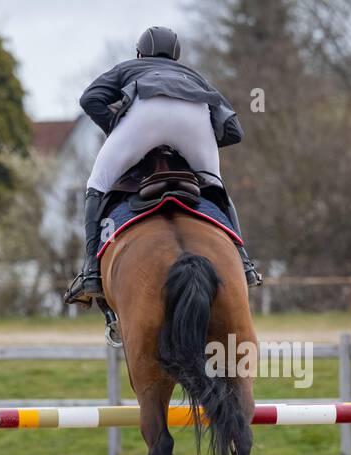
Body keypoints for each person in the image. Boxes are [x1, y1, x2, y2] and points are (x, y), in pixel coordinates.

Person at [63, 25, 259, 307]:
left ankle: (91, 273)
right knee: (217, 187)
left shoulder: (129, 67)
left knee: (97, 184)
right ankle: (244, 263)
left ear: (140, 54)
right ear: (177, 58)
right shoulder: (194, 76)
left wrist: (117, 128)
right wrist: (191, 144)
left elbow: (90, 99)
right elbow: (234, 130)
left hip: (145, 116)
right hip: (194, 119)